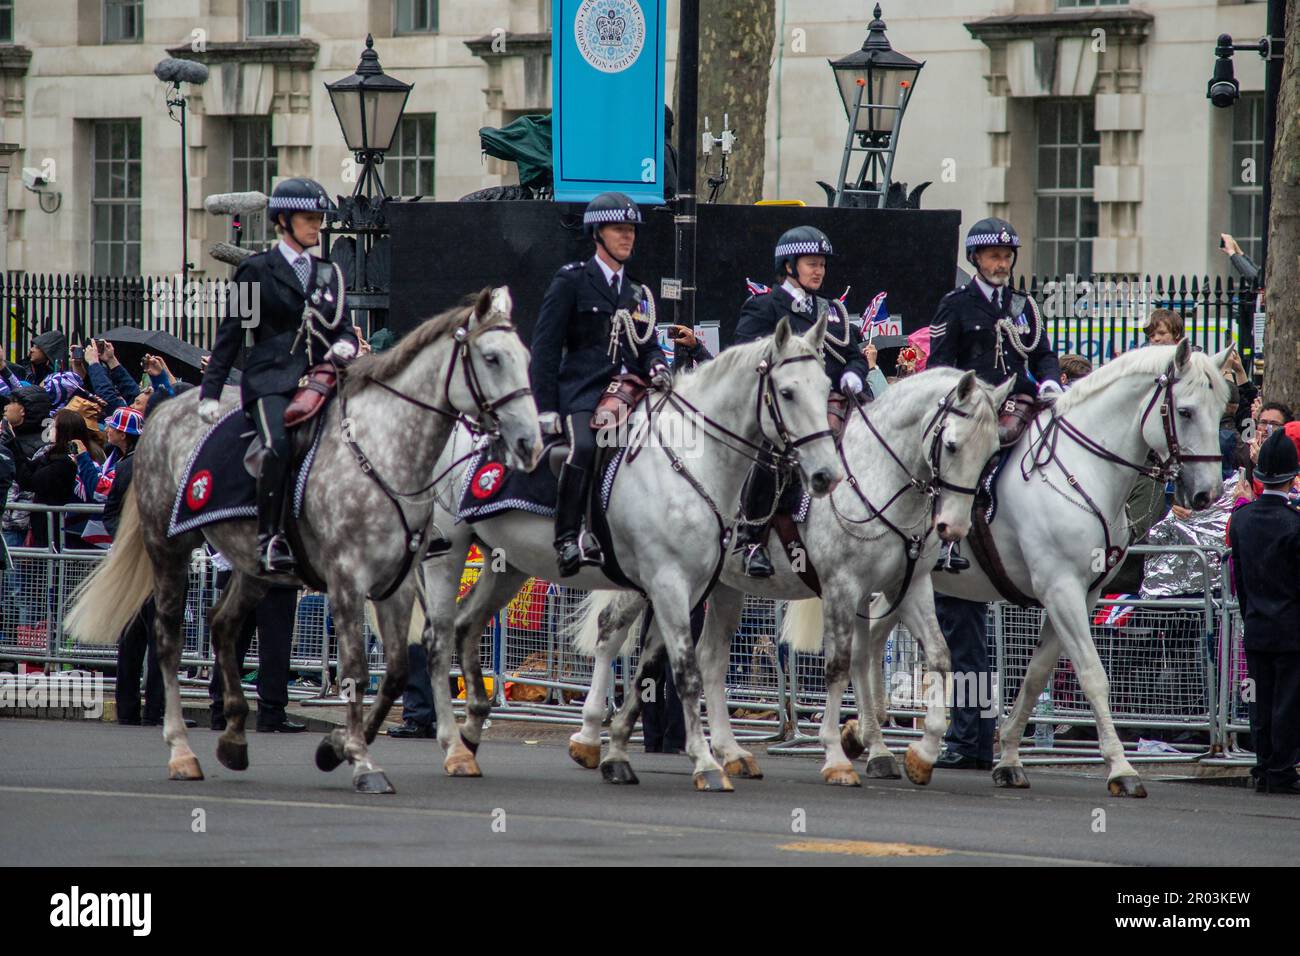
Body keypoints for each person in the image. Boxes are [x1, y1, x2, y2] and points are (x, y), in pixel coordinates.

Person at [199, 177, 358, 573]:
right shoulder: (255, 270)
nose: (316, 226)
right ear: (283, 221)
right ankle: (270, 537)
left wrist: (345, 347)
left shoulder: (328, 273)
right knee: (278, 446)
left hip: (323, 376)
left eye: (319, 219)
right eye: (308, 219)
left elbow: (342, 329)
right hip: (271, 378)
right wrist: (211, 391)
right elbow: (233, 332)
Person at [531, 191, 670, 577]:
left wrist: (658, 366)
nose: (628, 237)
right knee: (589, 446)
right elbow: (545, 348)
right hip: (583, 394)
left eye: (632, 230)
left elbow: (648, 346)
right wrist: (546, 409)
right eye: (619, 229)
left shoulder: (639, 293)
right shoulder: (572, 280)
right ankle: (568, 537)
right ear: (597, 233)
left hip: (631, 392)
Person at [729, 226, 869, 577]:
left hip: (835, 401)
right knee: (771, 455)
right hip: (785, 410)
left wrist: (854, 374)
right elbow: (744, 360)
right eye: (811, 263)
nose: (819, 270)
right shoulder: (764, 307)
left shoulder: (833, 311)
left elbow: (853, 353)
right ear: (789, 266)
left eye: (822, 264)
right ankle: (752, 539)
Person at [927, 217, 1061, 572]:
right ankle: (951, 538)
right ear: (975, 258)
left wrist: (1050, 381)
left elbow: (1043, 354)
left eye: (1006, 256)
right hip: (976, 405)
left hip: (1023, 397)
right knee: (974, 453)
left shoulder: (1024, 305)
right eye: (993, 256)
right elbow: (939, 364)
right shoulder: (956, 304)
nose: (1001, 264)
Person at [1227, 429, 1300, 795]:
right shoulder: (1295, 523)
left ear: (1258, 478)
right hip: (1291, 629)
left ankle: (1264, 766)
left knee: (1259, 700)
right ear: (1292, 477)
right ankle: (1282, 769)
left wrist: (1249, 614)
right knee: (1286, 704)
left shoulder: (1241, 520)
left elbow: (1239, 577)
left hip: (1255, 625)